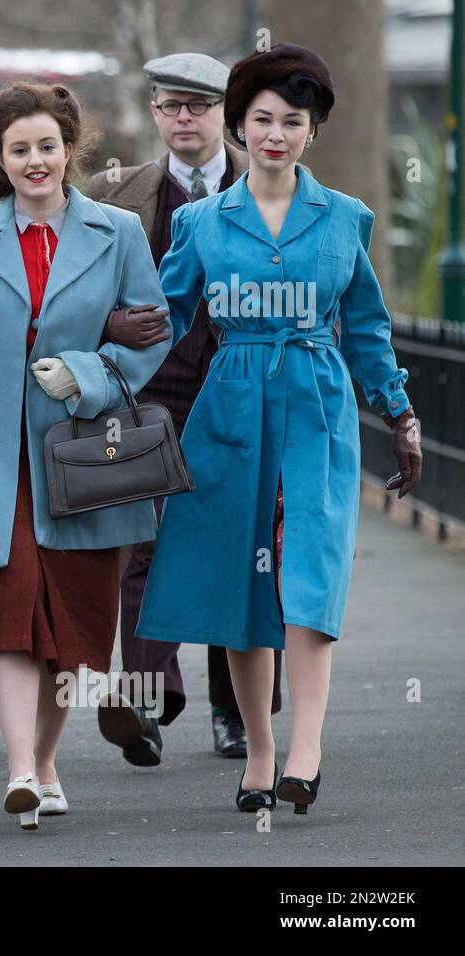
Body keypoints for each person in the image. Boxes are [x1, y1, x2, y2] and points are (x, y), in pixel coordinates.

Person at [135, 44, 422, 815]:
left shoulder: (346, 219)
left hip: (317, 404)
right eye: (261, 119)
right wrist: (105, 379)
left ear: (312, 131)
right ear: (238, 126)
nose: (275, 133)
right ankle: (260, 751)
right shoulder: (200, 221)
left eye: (292, 121)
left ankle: (307, 747)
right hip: (228, 409)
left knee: (310, 575)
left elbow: (365, 328)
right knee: (242, 584)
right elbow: (165, 322)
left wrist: (398, 411)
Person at [0, 81, 171, 831]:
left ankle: (47, 762)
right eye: (17, 149)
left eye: (46, 145)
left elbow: (154, 330)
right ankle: (18, 770)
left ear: (71, 149)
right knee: (9, 611)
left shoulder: (119, 232)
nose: (34, 160)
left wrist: (92, 374)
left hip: (83, 451)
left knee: (77, 621)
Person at [86, 52, 282, 765]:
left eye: (196, 106)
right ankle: (144, 701)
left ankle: (238, 714)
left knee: (247, 550)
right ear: (157, 112)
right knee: (144, 546)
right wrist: (107, 331)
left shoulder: (268, 186)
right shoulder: (120, 193)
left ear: (222, 114)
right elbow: (85, 290)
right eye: (169, 106)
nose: (181, 120)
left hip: (243, 389)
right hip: (150, 391)